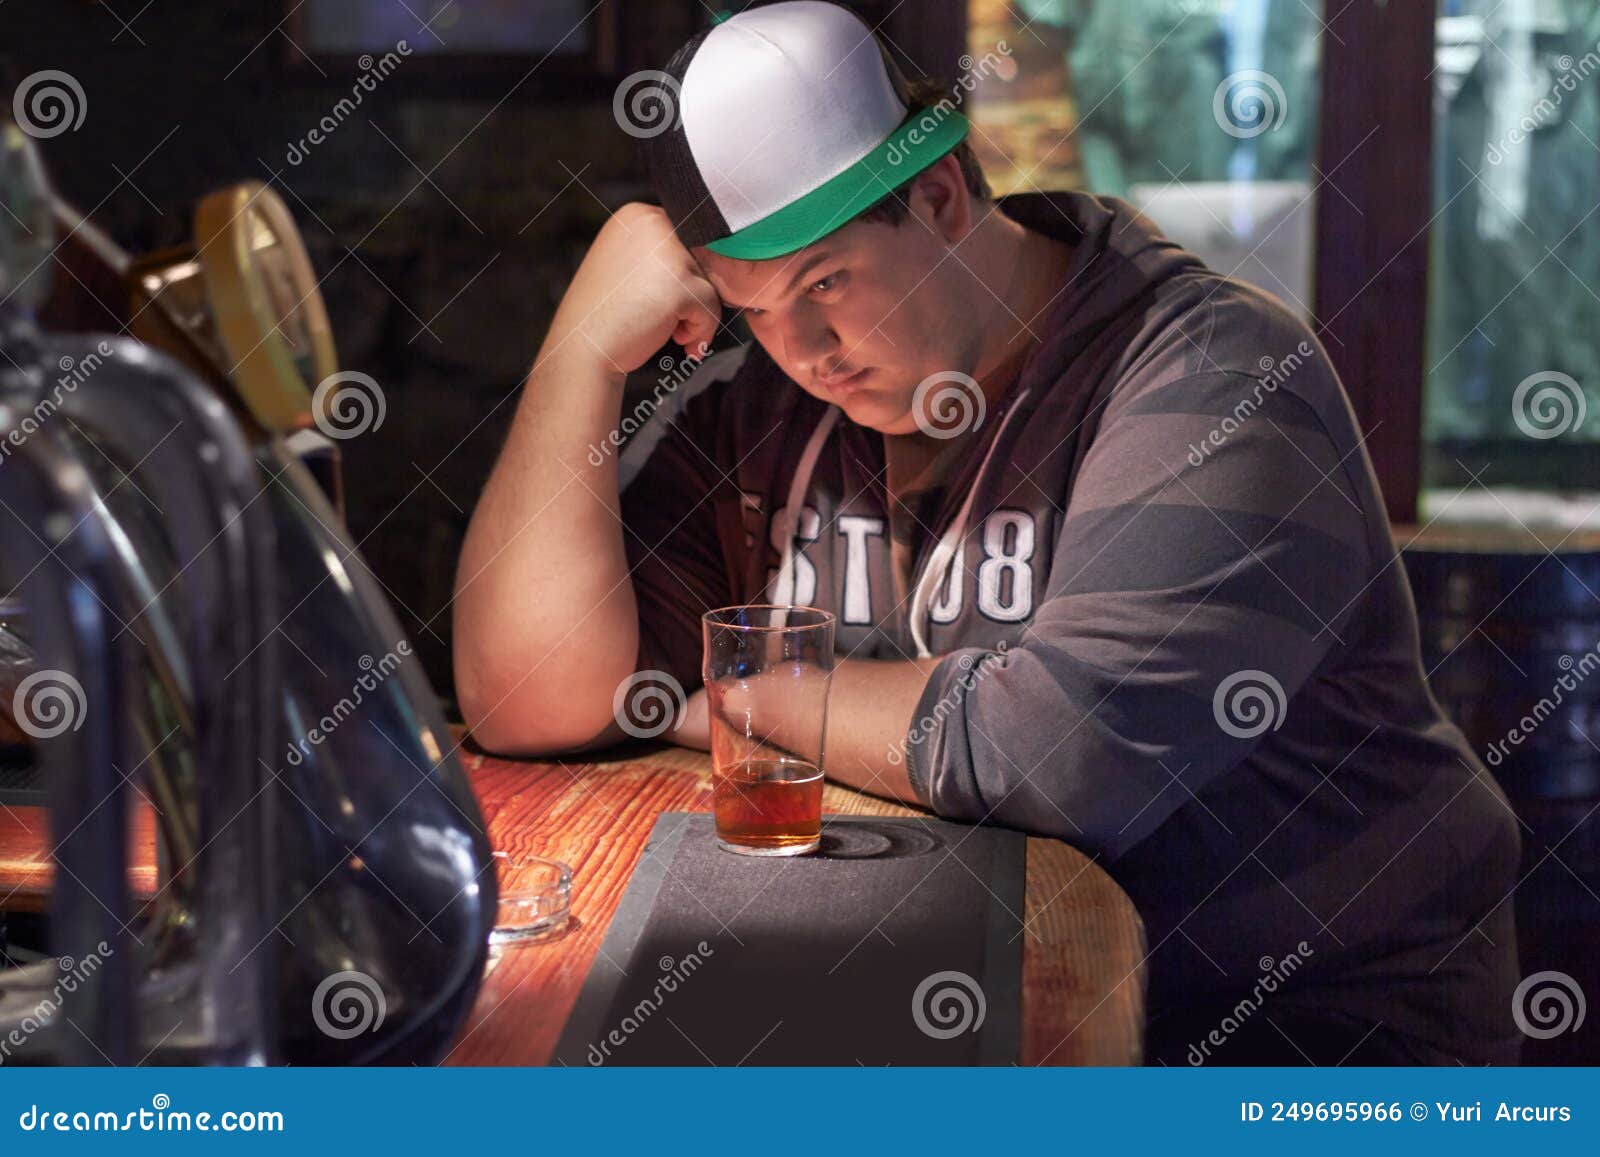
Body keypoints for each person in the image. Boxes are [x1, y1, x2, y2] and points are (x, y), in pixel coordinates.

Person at [454, 0, 1522, 1066]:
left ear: (940, 193)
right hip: (977, 993)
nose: (803, 349)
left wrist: (733, 693)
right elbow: (525, 695)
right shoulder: (764, 414)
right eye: (757, 309)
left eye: (824, 282)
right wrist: (581, 356)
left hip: (1308, 1038)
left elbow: (1065, 753)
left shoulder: (1218, 376)